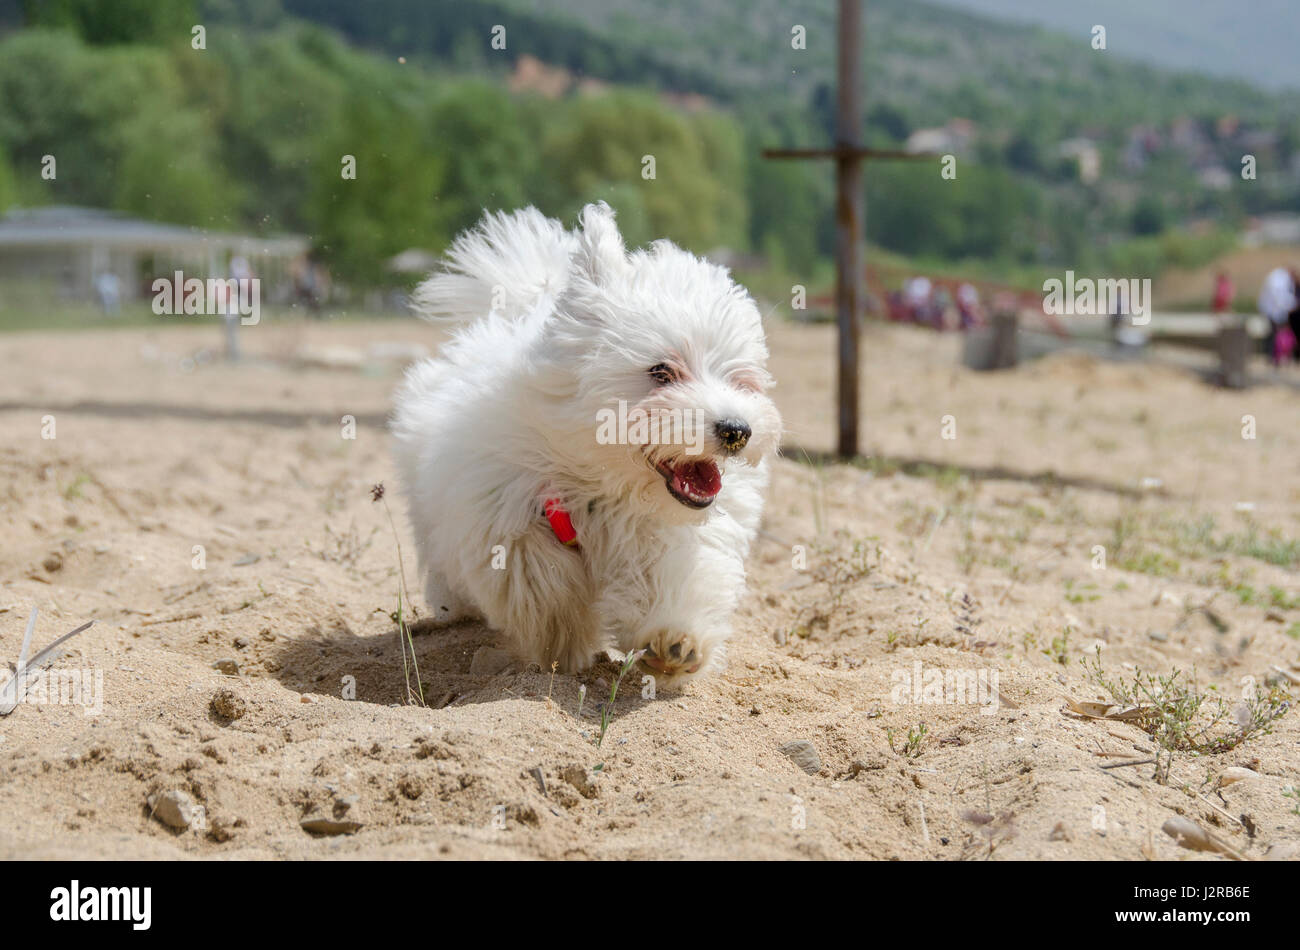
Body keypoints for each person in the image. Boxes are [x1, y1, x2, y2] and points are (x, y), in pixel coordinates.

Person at [1257, 266, 1296, 359]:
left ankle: (1273, 355)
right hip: (1275, 311)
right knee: (1275, 335)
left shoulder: (1278, 277)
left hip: (1273, 311)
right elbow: (1280, 297)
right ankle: (1274, 355)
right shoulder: (1281, 279)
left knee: (1273, 335)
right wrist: (1290, 305)